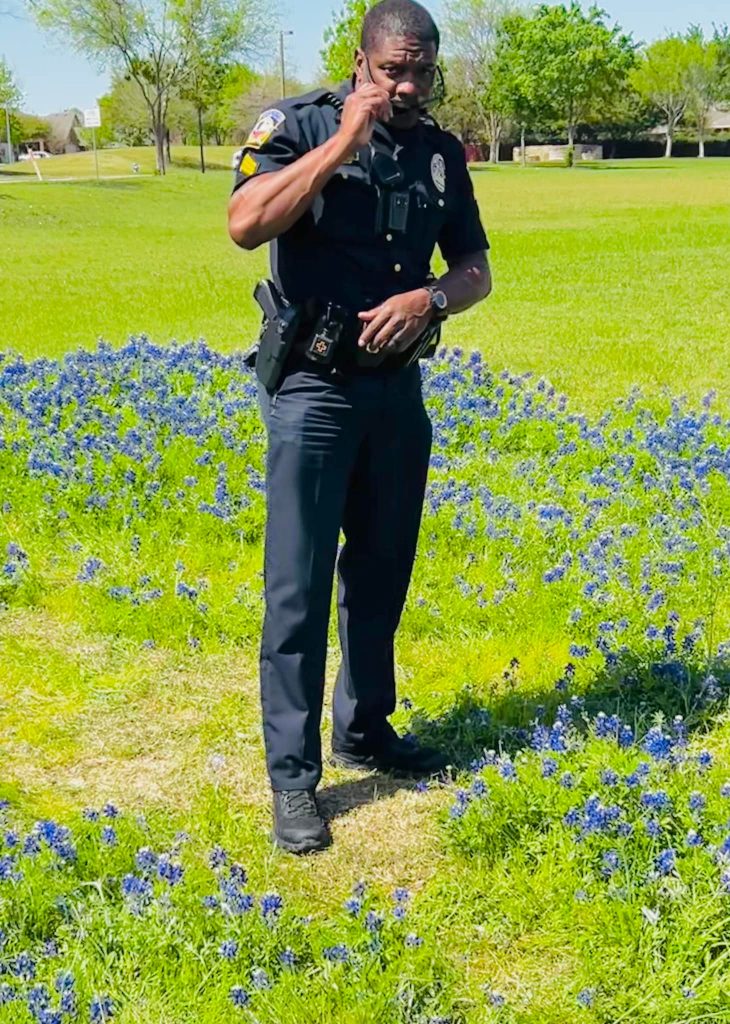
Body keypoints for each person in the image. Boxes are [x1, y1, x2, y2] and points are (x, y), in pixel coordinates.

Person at [227, 0, 492, 855]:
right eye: (393, 71)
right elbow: (243, 224)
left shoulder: (441, 153)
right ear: (360, 62)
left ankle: (366, 728)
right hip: (312, 390)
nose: (408, 86)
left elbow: (475, 267)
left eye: (422, 71)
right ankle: (295, 781)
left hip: (395, 394)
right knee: (297, 591)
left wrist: (433, 297)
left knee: (380, 576)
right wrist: (342, 142)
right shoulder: (297, 126)